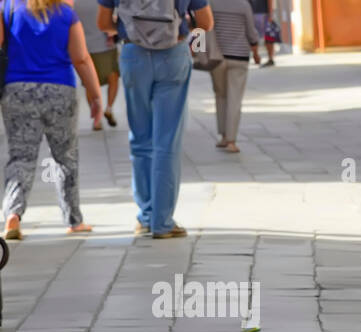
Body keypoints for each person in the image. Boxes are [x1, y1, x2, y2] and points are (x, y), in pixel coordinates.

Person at [97, 0, 213, 239]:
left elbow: (103, 23)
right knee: (167, 142)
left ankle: (146, 217)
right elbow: (206, 22)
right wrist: (180, 32)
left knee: (140, 139)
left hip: (133, 55)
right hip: (173, 54)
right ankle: (163, 222)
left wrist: (132, 29)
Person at [2, 0, 103, 239]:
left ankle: (13, 215)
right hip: (60, 90)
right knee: (65, 156)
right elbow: (81, 59)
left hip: (17, 90)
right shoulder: (65, 13)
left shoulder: (7, 8)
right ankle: (74, 220)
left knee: (20, 156)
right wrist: (95, 95)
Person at [207, 0, 258, 152]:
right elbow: (251, 32)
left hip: (217, 58)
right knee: (234, 99)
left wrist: (198, 51)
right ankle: (231, 141)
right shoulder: (243, 5)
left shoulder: (211, 4)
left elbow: (201, 26)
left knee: (220, 96)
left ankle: (223, 136)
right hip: (239, 57)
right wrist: (255, 52)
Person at [73, 0, 116, 130]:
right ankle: (108, 108)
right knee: (113, 76)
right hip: (105, 45)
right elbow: (109, 21)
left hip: (84, 45)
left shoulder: (73, 3)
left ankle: (96, 119)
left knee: (88, 83)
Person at [248, 0, 274, 66]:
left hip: (263, 13)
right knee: (252, 36)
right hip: (250, 13)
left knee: (268, 36)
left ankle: (270, 59)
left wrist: (270, 14)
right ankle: (256, 56)